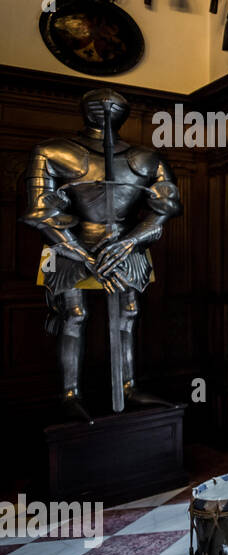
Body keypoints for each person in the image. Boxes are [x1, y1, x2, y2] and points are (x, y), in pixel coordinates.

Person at [22, 88, 181, 420]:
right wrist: (81, 252)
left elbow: (164, 209)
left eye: (114, 106)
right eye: (98, 106)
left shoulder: (147, 158)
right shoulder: (52, 151)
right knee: (74, 314)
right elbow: (40, 211)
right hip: (70, 242)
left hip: (127, 243)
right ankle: (69, 393)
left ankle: (128, 386)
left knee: (129, 312)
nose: (106, 110)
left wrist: (128, 242)